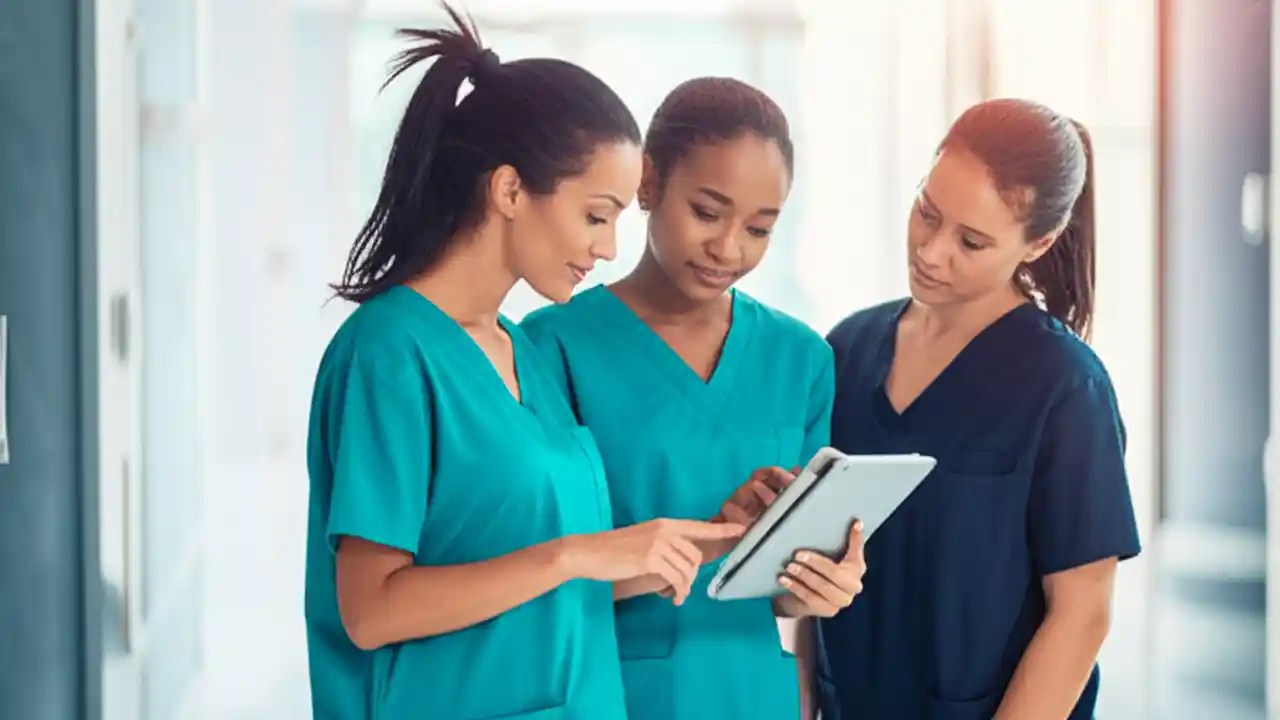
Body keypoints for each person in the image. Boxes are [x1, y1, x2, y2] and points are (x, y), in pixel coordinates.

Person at [302, 8, 744, 719]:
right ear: (509, 191)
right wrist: (574, 554)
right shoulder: (388, 354)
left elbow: (531, 580)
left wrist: (671, 549)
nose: (607, 249)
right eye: (596, 215)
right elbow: (372, 610)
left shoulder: (521, 349)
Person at [521, 77, 866, 720]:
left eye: (759, 229)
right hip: (606, 693)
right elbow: (530, 574)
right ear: (647, 182)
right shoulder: (550, 348)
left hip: (752, 692)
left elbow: (783, 587)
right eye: (706, 212)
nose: (728, 249)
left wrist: (819, 587)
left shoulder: (801, 360)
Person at [815, 98, 1142, 719]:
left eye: (971, 241)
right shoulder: (848, 352)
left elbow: (1082, 615)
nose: (932, 252)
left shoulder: (1065, 387)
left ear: (1038, 242)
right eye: (926, 212)